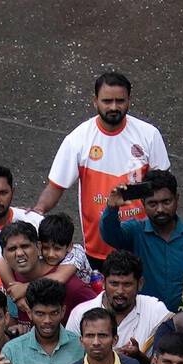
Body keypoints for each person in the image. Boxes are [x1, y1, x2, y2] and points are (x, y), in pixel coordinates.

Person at [32, 71, 170, 265]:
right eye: (107, 101)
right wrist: (38, 210)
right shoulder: (77, 140)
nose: (114, 107)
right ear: (95, 101)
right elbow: (56, 186)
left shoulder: (149, 135)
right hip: (97, 250)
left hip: (144, 244)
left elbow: (164, 186)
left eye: (120, 101)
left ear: (129, 100)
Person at [97, 169, 183, 311]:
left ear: (177, 199)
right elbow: (110, 235)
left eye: (166, 202)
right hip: (144, 318)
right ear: (143, 203)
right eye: (153, 204)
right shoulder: (134, 231)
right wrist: (112, 208)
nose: (160, 209)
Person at [66, 251, 168, 357]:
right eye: (114, 284)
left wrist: (139, 358)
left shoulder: (155, 311)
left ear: (140, 283)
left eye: (127, 284)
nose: (120, 291)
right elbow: (71, 361)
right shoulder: (80, 314)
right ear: (103, 282)